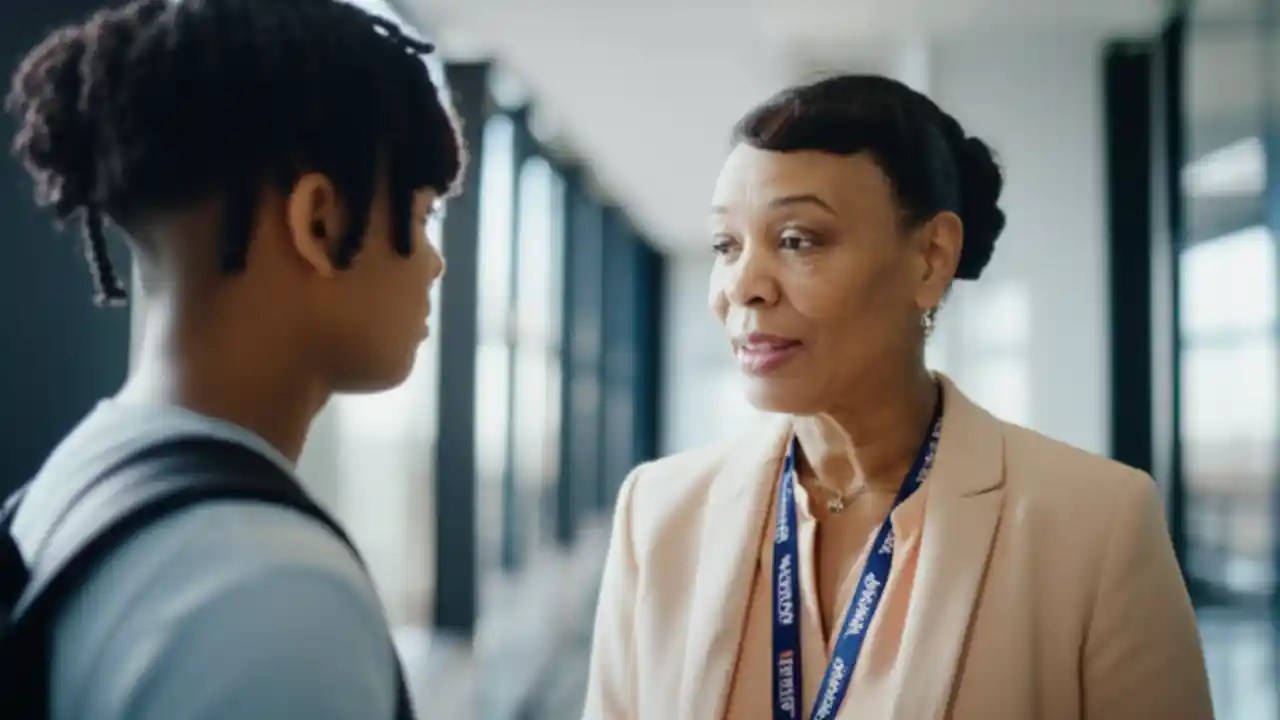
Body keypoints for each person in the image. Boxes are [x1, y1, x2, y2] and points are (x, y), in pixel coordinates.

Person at [583, 75, 1213, 720]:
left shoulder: (1094, 523)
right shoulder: (658, 513)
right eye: (726, 245)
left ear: (931, 258)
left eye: (798, 239)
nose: (743, 286)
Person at [4, 0, 462, 717]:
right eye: (422, 215)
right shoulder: (277, 597)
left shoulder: (66, 483)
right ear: (320, 222)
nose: (434, 264)